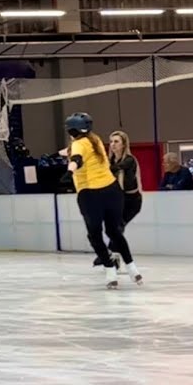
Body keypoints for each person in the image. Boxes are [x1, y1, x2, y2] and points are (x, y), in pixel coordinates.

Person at [67, 113, 142, 288]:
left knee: (94, 234)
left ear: (71, 130)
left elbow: (76, 159)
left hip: (91, 194)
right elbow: (73, 153)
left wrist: (69, 172)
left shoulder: (78, 144)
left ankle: (110, 272)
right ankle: (133, 269)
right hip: (112, 191)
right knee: (114, 232)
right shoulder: (96, 141)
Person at [108, 131, 143, 226]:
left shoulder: (129, 160)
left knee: (118, 227)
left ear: (123, 145)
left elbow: (116, 168)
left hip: (132, 201)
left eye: (116, 141)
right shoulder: (110, 161)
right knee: (113, 228)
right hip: (118, 199)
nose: (112, 144)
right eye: (111, 141)